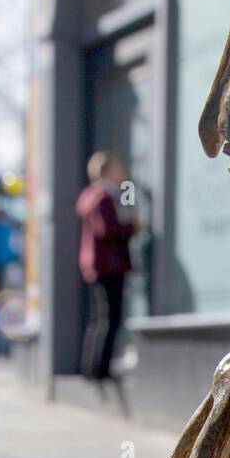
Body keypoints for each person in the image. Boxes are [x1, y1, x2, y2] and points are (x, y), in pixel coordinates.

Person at [76, 151, 139, 388]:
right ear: (108, 171)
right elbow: (107, 231)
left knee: (100, 318)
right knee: (110, 317)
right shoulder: (104, 197)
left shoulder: (90, 196)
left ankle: (91, 368)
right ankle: (100, 369)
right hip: (109, 264)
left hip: (95, 264)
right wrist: (133, 226)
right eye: (118, 168)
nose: (122, 172)